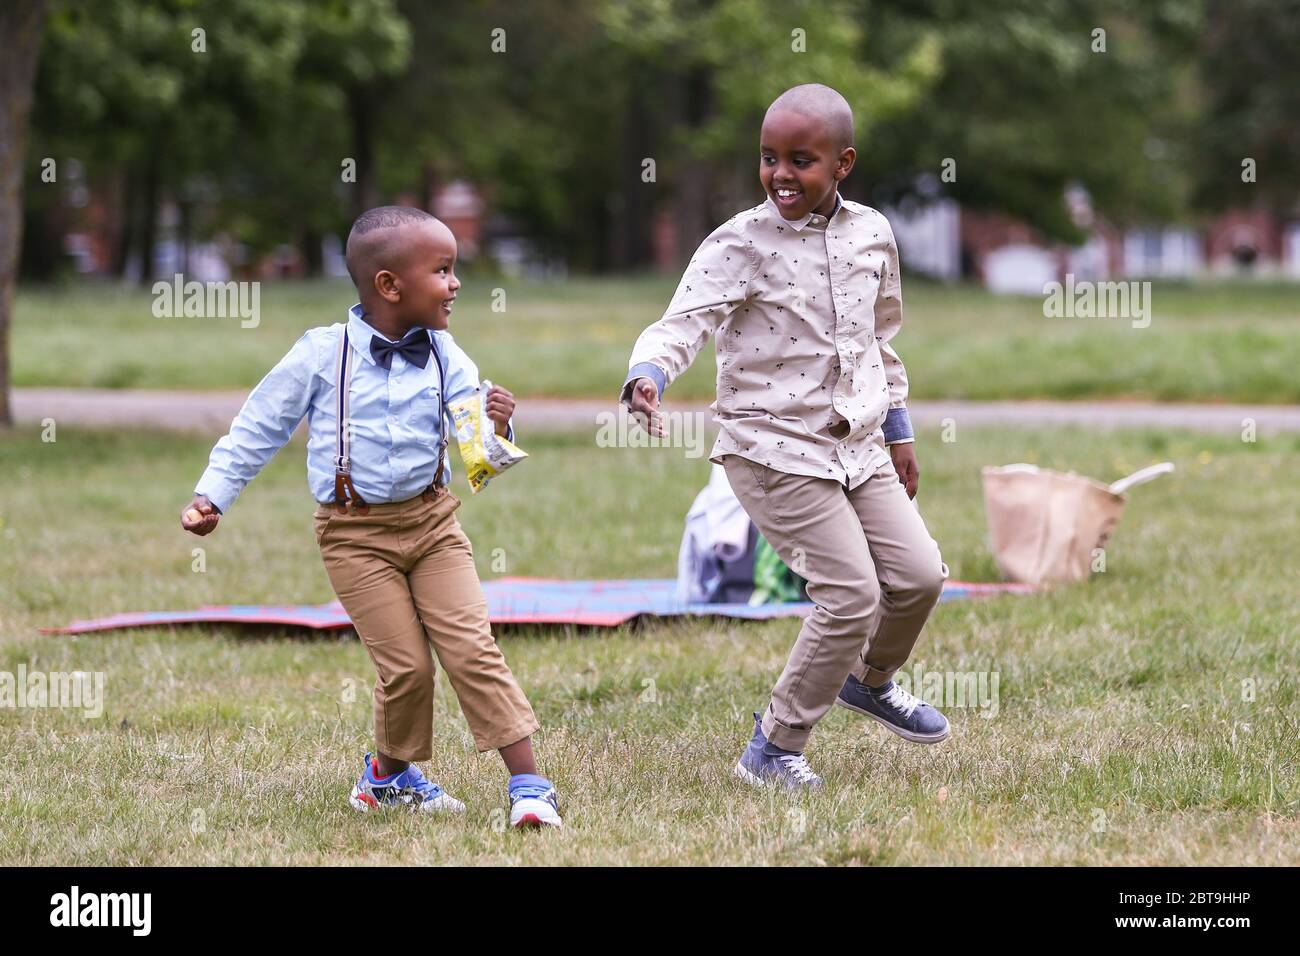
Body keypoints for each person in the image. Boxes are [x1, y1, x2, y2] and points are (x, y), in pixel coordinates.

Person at [182, 206, 561, 826]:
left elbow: (479, 464)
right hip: (353, 537)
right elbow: (259, 428)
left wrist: (496, 427)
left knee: (472, 648)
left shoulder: (446, 356)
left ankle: (529, 785)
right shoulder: (320, 354)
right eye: (442, 270)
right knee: (407, 667)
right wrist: (211, 497)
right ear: (389, 286)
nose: (456, 283)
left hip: (434, 524)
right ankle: (388, 777)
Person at [621, 85, 951, 789]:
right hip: (772, 449)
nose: (779, 174)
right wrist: (647, 373)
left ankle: (869, 680)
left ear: (843, 164)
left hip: (859, 443)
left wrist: (899, 432)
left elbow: (878, 342)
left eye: (801, 160)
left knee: (920, 577)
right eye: (768, 158)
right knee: (850, 593)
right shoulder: (742, 242)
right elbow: (682, 321)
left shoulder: (872, 235)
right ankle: (773, 746)